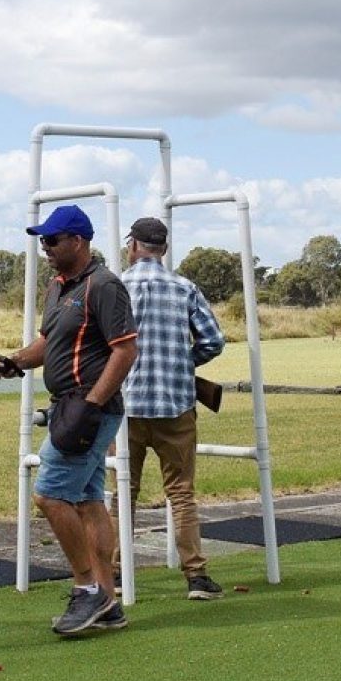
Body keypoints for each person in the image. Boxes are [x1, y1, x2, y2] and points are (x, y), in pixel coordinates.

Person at [0, 205, 137, 635]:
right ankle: (108, 604)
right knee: (89, 500)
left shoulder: (105, 286)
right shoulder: (57, 286)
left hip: (86, 408)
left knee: (50, 494)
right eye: (42, 240)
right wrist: (16, 362)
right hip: (68, 405)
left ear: (79, 241)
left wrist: (91, 405)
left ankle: (87, 589)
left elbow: (125, 351)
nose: (45, 248)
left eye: (52, 240)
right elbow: (48, 341)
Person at [117, 216, 227, 600]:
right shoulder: (185, 288)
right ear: (163, 249)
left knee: (122, 493)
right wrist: (183, 363)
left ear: (132, 246)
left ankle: (114, 572)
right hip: (177, 404)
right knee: (181, 494)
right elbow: (214, 340)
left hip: (125, 408)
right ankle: (196, 576)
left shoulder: (117, 287)